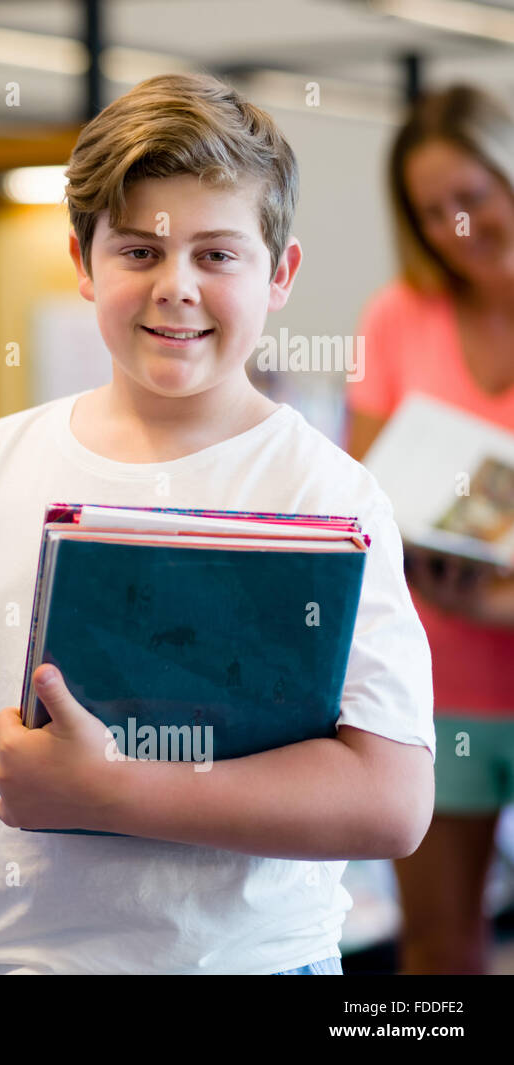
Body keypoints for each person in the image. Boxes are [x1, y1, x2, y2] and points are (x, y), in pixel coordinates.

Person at [0, 72, 436, 975]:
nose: (177, 287)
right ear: (83, 260)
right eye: (140, 251)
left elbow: (391, 799)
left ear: (279, 274)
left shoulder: (332, 496)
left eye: (217, 255)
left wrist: (113, 789)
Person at [346, 84, 514, 975]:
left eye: (473, 196)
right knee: (440, 950)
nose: (456, 224)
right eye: (431, 209)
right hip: (436, 687)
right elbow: (367, 499)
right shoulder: (397, 317)